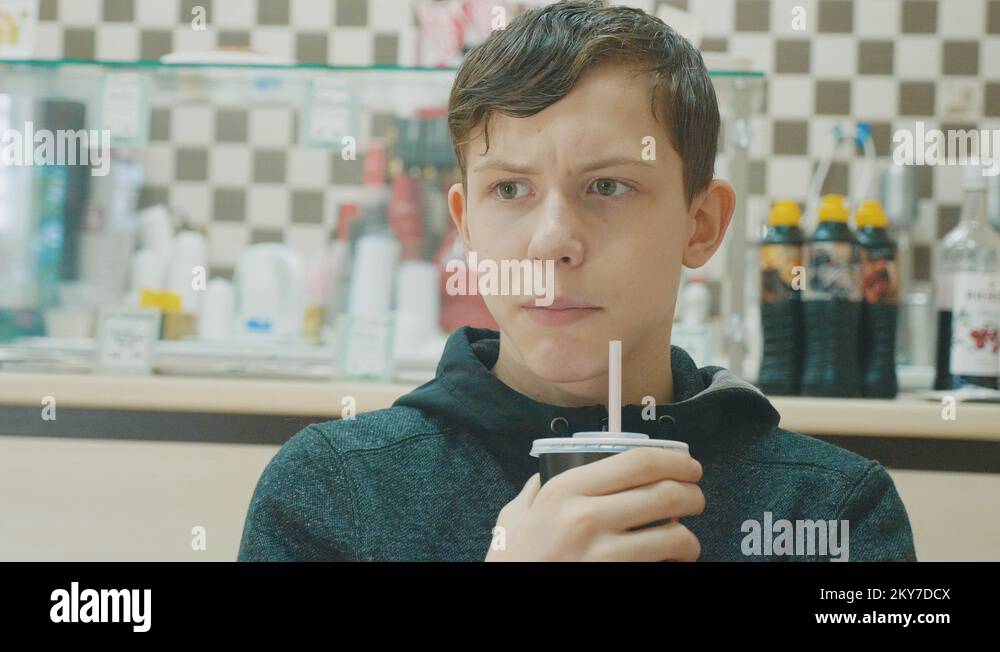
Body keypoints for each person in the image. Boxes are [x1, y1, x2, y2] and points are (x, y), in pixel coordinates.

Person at [238, 0, 916, 562]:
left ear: (701, 225)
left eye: (608, 185)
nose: (552, 240)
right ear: (466, 222)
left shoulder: (834, 512)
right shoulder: (332, 492)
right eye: (510, 188)